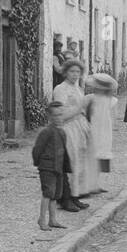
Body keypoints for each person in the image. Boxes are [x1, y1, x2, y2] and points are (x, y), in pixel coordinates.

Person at [51, 58, 91, 212]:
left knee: (80, 162)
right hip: (67, 128)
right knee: (69, 163)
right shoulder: (61, 89)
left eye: (78, 72)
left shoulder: (77, 88)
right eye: (72, 72)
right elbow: (60, 114)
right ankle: (65, 198)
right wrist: (80, 108)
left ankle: (75, 196)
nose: (75, 75)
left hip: (79, 127)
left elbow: (82, 109)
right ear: (65, 72)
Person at [32, 101, 69, 231]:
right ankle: (42, 219)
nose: (59, 118)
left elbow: (64, 151)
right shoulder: (46, 132)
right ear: (50, 117)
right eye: (56, 115)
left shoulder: (62, 133)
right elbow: (37, 150)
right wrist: (40, 164)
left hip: (58, 167)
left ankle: (52, 220)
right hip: (47, 168)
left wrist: (65, 166)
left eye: (61, 115)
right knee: (48, 193)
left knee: (55, 195)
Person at [85, 73, 117, 186]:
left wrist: (111, 127)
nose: (99, 90)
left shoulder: (111, 100)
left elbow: (113, 117)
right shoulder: (89, 99)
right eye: (97, 88)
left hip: (104, 131)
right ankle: (90, 182)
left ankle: (99, 182)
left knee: (102, 154)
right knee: (92, 154)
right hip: (92, 129)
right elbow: (84, 114)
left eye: (102, 88)